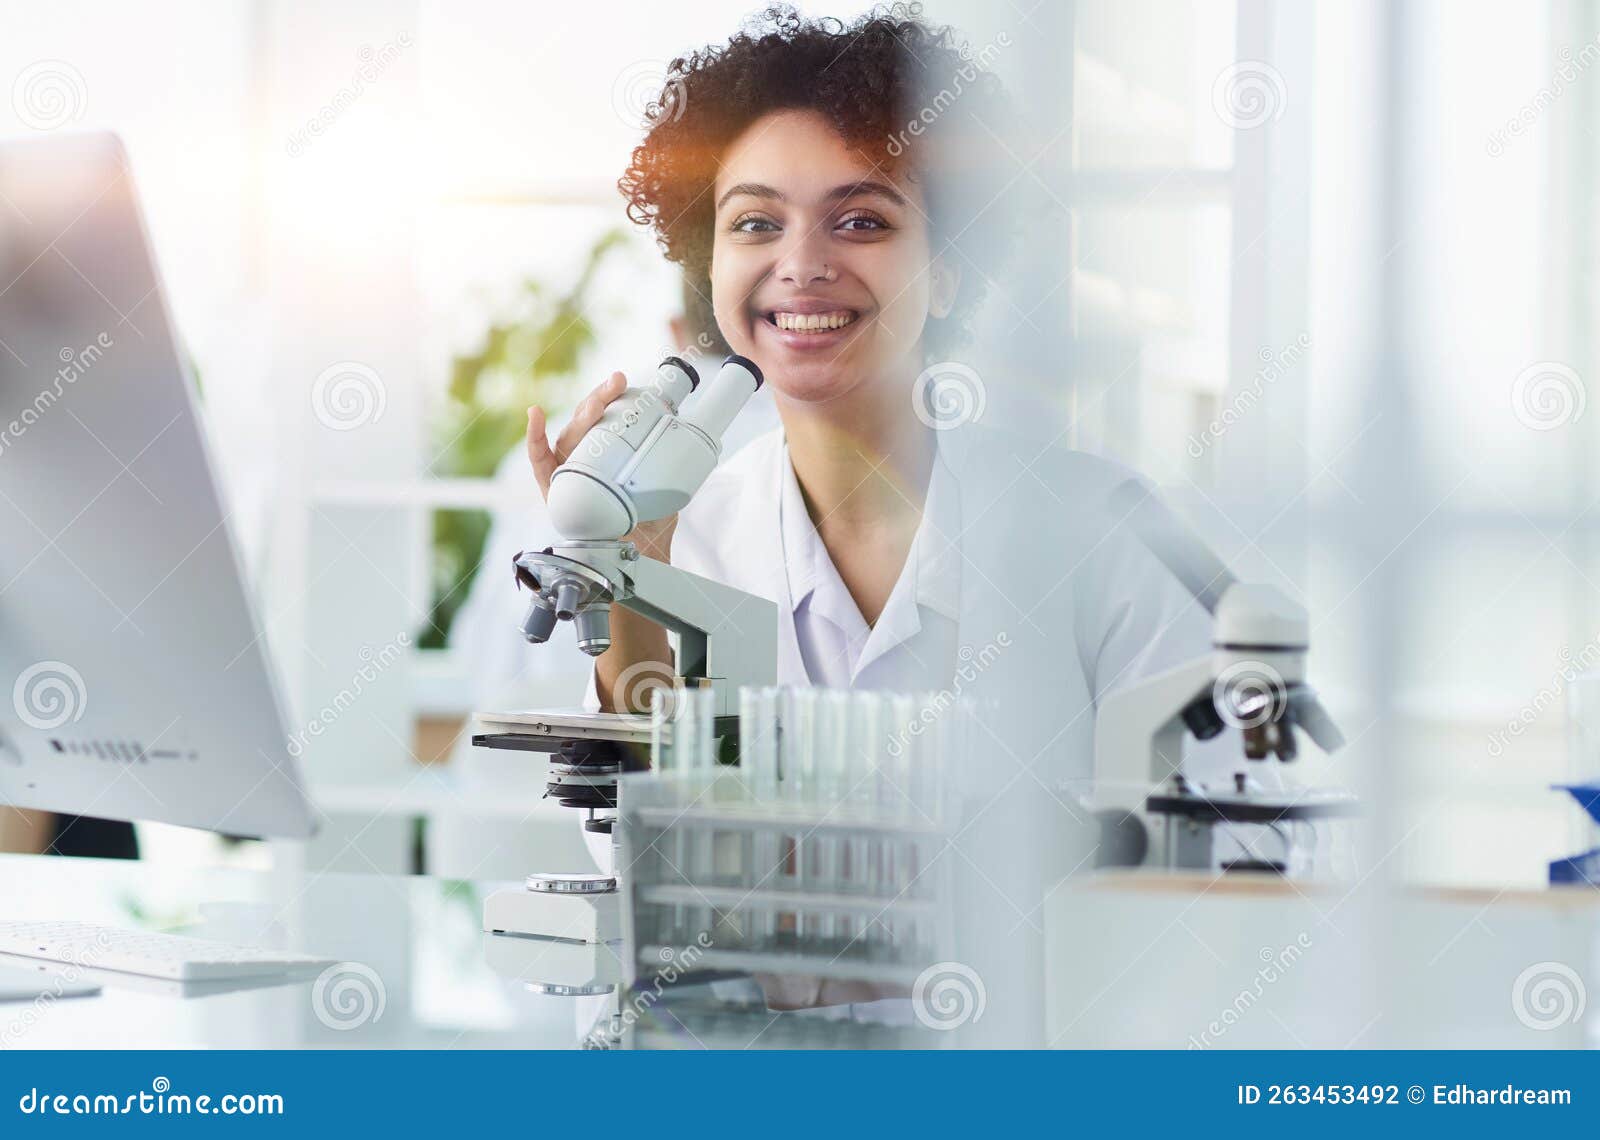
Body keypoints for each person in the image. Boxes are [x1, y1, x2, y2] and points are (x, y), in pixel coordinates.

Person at [520, 6, 1253, 1019]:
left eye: (861, 219)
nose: (803, 262)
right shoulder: (694, 529)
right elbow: (654, 873)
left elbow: (1231, 865)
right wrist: (633, 568)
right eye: (755, 222)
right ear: (711, 263)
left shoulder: (1099, 529)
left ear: (947, 265)